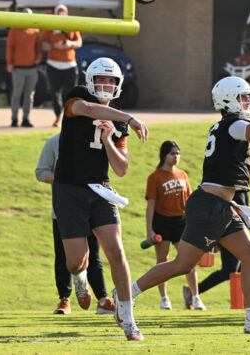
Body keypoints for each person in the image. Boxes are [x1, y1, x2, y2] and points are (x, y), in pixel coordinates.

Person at [129, 76, 250, 335]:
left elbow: (247, 175)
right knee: (182, 265)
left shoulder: (230, 128)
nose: (249, 102)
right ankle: (128, 294)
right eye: (244, 97)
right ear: (228, 99)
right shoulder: (234, 124)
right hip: (208, 205)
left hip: (224, 206)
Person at [52, 57, 148, 340]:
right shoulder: (77, 97)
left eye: (111, 81)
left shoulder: (118, 124)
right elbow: (89, 109)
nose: (106, 85)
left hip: (100, 188)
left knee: (116, 252)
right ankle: (79, 279)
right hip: (69, 188)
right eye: (101, 80)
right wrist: (129, 117)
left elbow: (121, 169)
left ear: (117, 86)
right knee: (75, 262)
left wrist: (108, 139)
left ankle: (128, 317)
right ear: (91, 81)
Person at [35, 132, 115, 315]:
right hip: (64, 209)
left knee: (93, 254)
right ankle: (64, 299)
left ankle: (102, 299)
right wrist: (65, 181)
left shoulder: (93, 140)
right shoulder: (54, 142)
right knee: (63, 257)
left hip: (91, 208)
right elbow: (41, 172)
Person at [192, 136, 250, 305]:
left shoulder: (239, 173)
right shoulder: (234, 175)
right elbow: (238, 206)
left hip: (229, 223)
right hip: (226, 223)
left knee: (245, 263)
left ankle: (247, 309)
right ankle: (195, 290)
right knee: (229, 269)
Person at [144, 140, 204, 310]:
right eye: (172, 153)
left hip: (182, 221)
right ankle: (164, 299)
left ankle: (195, 297)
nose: (176, 157)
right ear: (164, 155)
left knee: (189, 260)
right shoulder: (155, 177)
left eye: (178, 153)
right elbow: (151, 205)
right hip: (162, 221)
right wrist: (149, 230)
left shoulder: (183, 175)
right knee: (163, 261)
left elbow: (190, 200)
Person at [41, 4, 82, 127]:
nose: (62, 14)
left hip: (70, 64)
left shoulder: (72, 24)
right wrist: (54, 45)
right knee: (55, 92)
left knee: (71, 93)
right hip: (53, 64)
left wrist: (70, 43)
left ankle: (70, 116)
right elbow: (43, 44)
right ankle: (58, 116)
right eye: (59, 12)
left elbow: (79, 42)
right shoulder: (49, 25)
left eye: (64, 12)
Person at [6, 8, 42, 127]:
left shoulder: (35, 30)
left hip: (32, 68)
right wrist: (9, 63)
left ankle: (26, 118)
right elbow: (9, 47)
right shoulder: (14, 30)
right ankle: (14, 118)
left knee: (29, 95)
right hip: (18, 69)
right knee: (17, 94)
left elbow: (38, 47)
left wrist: (38, 58)